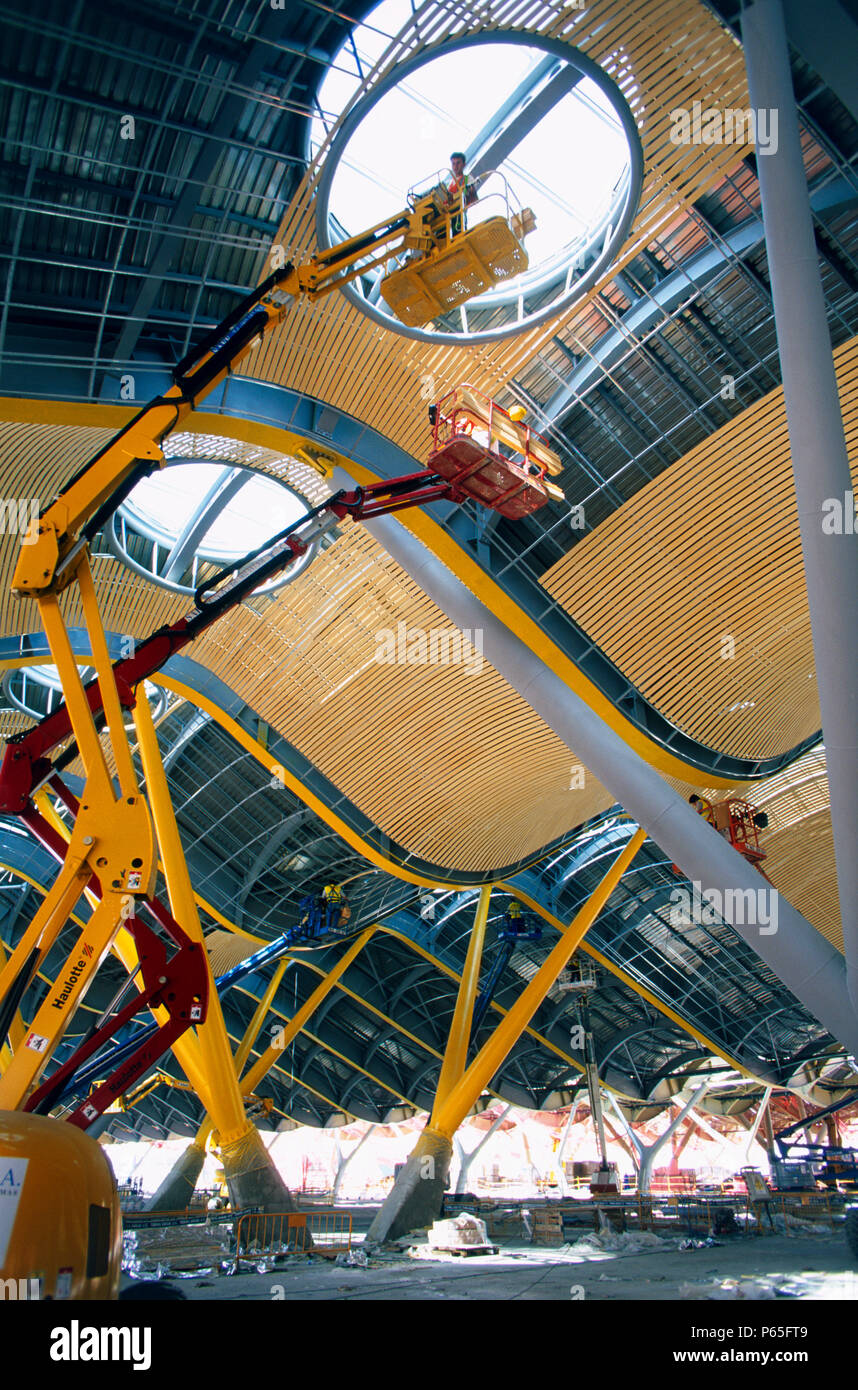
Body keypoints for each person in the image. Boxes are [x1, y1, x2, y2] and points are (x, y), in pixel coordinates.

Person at [445, 151, 484, 236]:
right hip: (447, 216)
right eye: (453, 164)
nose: (455, 166)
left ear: (463, 164)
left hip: (459, 215)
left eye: (458, 163)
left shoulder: (468, 179)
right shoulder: (448, 184)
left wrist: (471, 191)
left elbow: (473, 199)